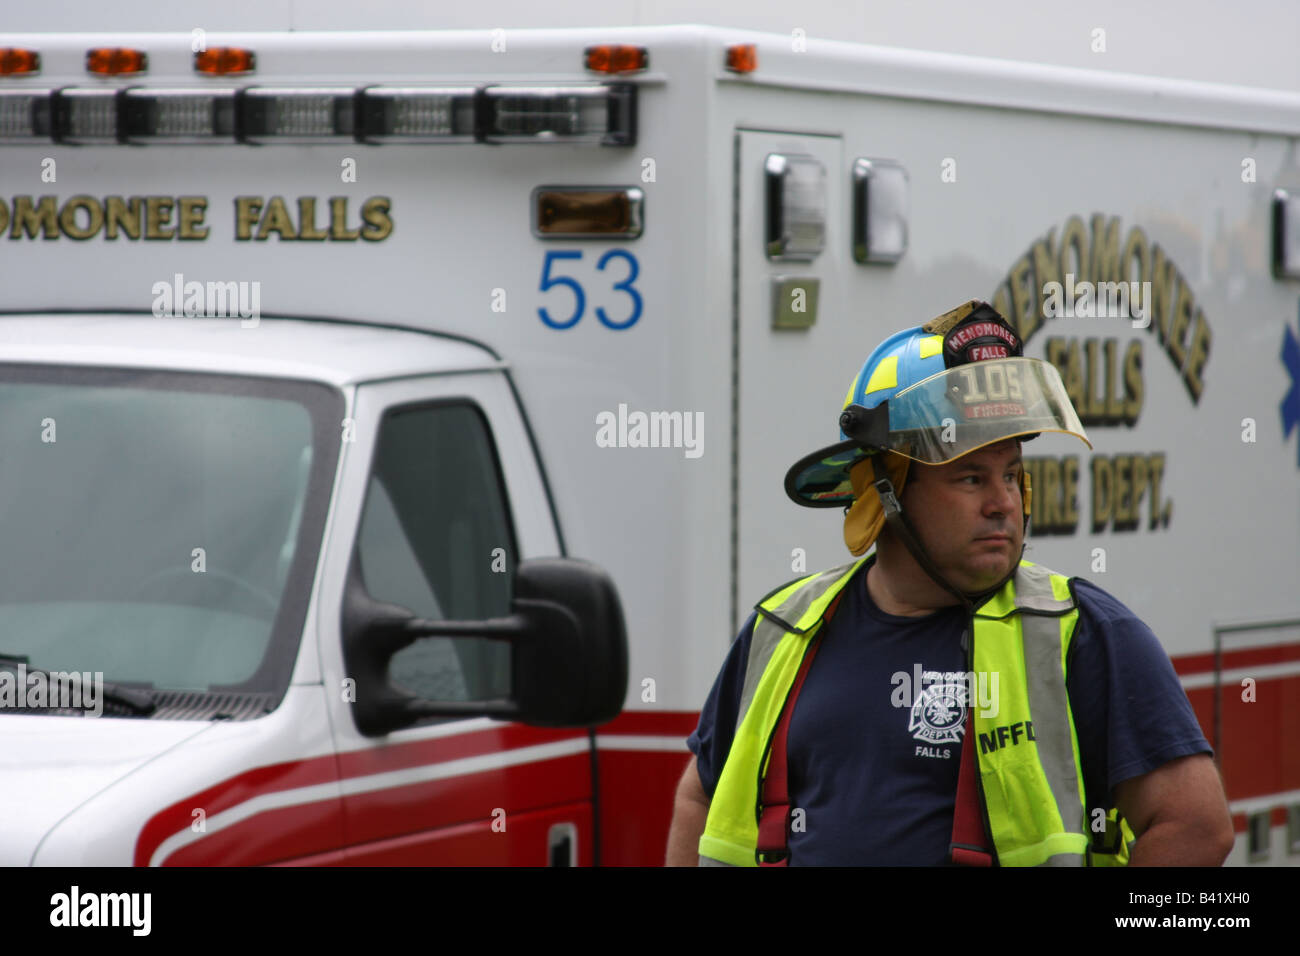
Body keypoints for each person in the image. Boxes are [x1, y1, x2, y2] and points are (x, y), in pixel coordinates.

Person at [665, 300, 1233, 867]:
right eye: (970, 477)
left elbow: (1196, 826)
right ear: (884, 487)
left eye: (1011, 474)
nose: (1003, 502)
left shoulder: (1083, 634)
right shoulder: (784, 628)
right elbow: (702, 794)